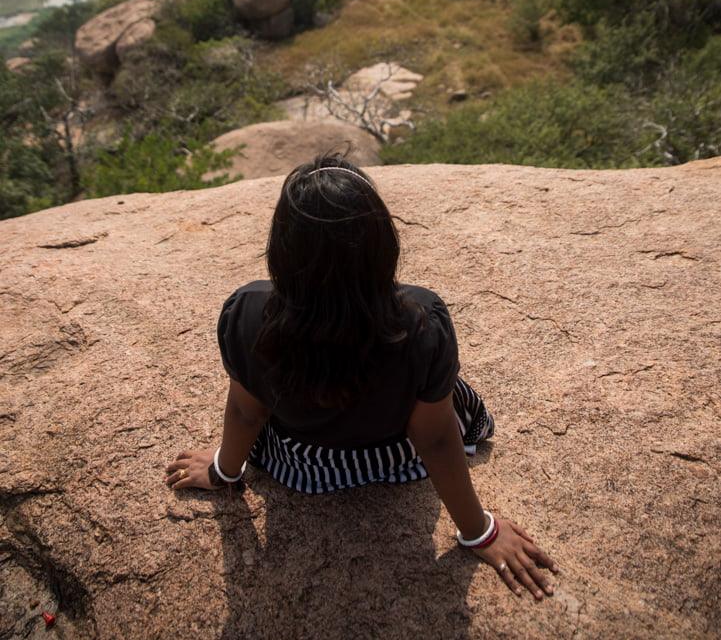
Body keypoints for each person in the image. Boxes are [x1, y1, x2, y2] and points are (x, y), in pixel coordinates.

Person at [165, 155, 558, 600]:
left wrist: (223, 470)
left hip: (301, 468)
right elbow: (436, 440)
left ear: (281, 250)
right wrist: (479, 532)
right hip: (398, 458)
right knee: (447, 394)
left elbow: (244, 409)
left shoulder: (250, 312)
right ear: (382, 245)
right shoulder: (419, 320)